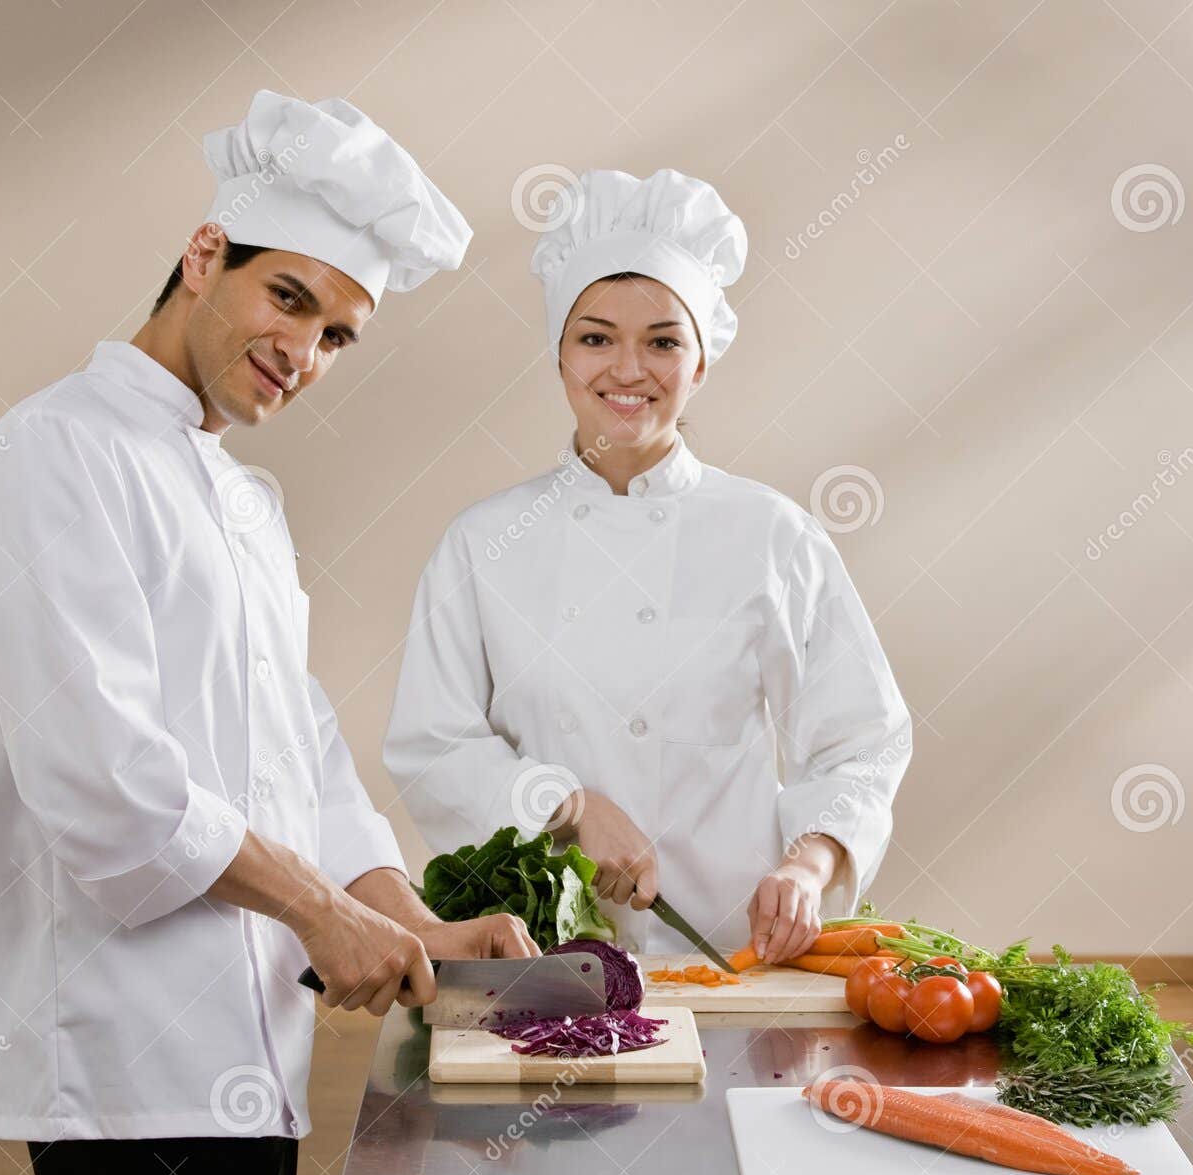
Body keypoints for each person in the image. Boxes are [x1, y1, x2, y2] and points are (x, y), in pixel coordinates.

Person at [0, 90, 539, 1175]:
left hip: (250, 1035)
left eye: (337, 335)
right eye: (290, 298)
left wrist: (411, 916)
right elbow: (100, 777)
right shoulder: (54, 450)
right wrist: (319, 909)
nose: (302, 353)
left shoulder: (243, 502)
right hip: (125, 1049)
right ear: (206, 255)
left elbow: (293, 744)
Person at [383, 168, 911, 965]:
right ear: (559, 356)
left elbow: (859, 739)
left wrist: (809, 865)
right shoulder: (482, 542)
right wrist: (564, 805)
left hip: (732, 957)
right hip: (545, 966)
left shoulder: (773, 534)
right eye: (595, 338)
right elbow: (433, 745)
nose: (628, 371)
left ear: (700, 362)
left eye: (663, 341)